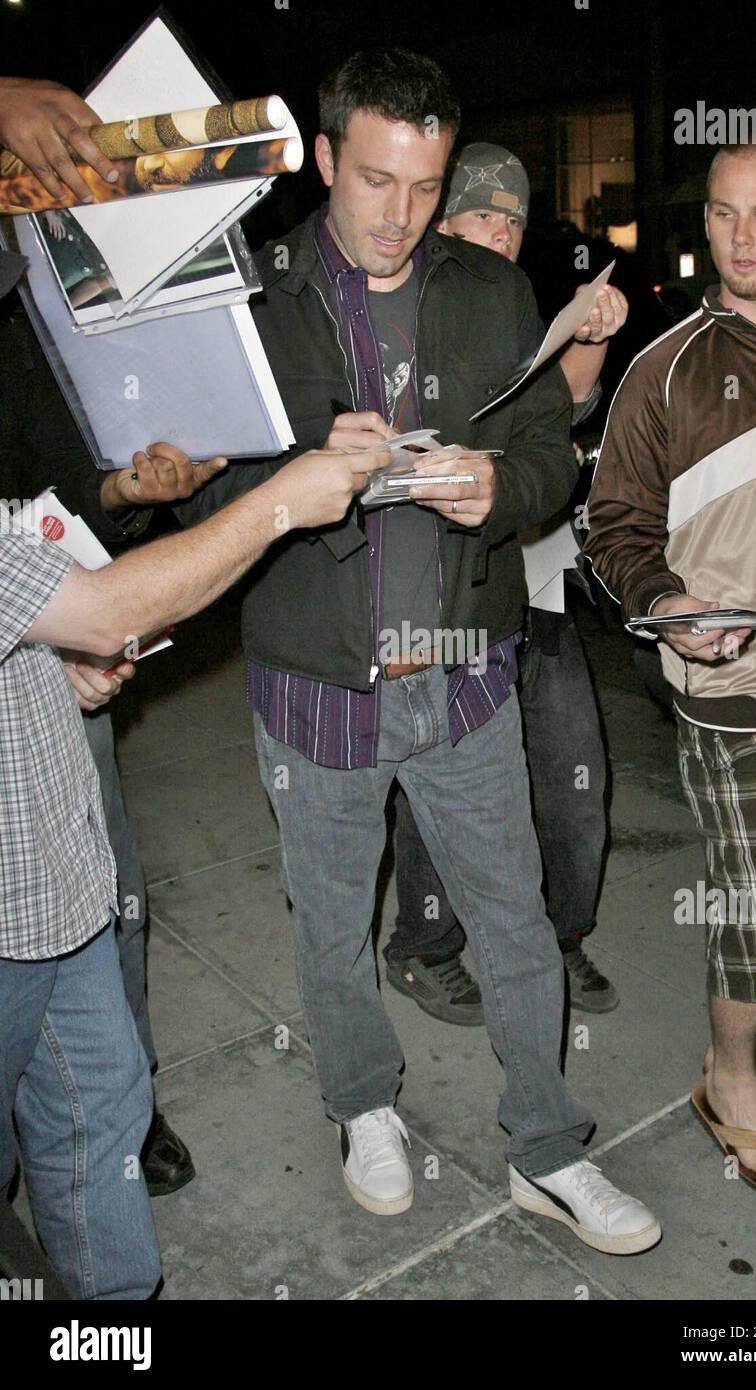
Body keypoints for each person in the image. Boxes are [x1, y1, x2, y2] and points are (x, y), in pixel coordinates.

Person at [171, 49, 660, 1255]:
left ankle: (547, 1145)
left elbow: (551, 455)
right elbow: (185, 502)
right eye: (376, 181)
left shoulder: (486, 293)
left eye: (426, 187)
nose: (400, 216)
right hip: (313, 676)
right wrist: (293, 473)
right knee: (329, 921)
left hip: (464, 670)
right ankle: (362, 1104)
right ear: (327, 157)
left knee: (514, 913)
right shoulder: (254, 293)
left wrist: (500, 484)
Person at [0, 270, 380, 1296]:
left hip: (59, 881)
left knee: (100, 1122)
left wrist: (50, 666)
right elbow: (107, 605)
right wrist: (279, 501)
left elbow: (42, 597)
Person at [585, 137, 756, 1199]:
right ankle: (723, 1074)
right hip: (732, 691)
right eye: (719, 213)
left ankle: (743, 1057)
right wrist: (662, 603)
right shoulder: (661, 371)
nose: (737, 235)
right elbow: (612, 525)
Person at [385, 142, 629, 1023]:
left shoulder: (515, 309)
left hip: (539, 581)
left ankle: (558, 941)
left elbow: (552, 411)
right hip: (445, 595)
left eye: (515, 220)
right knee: (437, 775)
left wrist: (590, 336)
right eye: (484, 214)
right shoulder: (406, 311)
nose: (502, 233)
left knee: (572, 772)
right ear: (440, 223)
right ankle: (423, 945)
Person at [0, 305, 208, 1198]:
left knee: (105, 893)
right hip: (51, 623)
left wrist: (126, 494)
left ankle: (123, 1108)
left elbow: (52, 496)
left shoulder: (28, 306)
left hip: (55, 622)